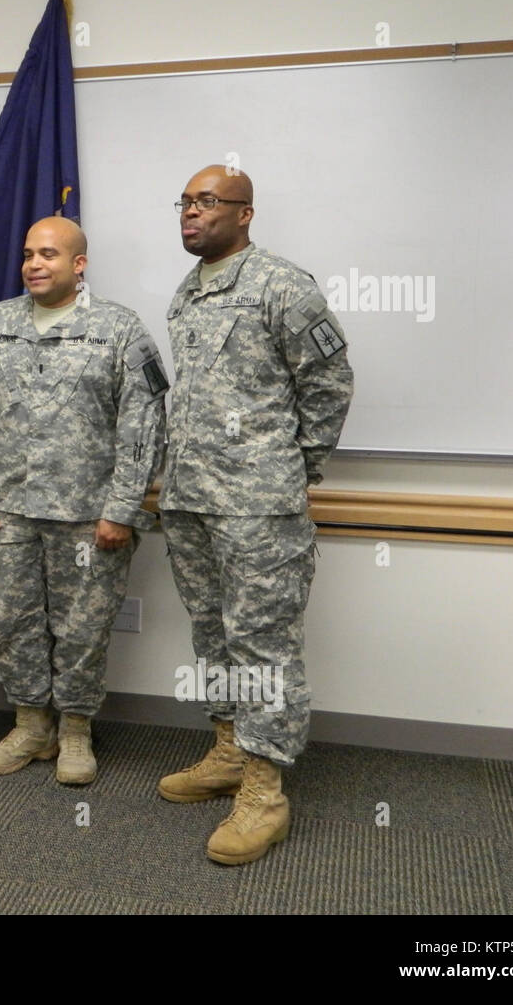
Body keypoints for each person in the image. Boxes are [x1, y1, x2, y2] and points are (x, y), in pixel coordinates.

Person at [157, 165, 354, 864]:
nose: (190, 213)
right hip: (190, 499)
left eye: (207, 202)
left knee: (262, 642)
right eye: (184, 201)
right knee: (213, 633)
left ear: (245, 213)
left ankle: (265, 791)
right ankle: (230, 750)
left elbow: (330, 382)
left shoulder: (281, 284)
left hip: (258, 507)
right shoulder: (188, 291)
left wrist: (290, 471)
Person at [0, 216, 167, 784]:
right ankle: (30, 726)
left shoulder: (120, 329)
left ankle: (73, 730)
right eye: (27, 254)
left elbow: (143, 426)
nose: (34, 264)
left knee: (82, 629)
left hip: (89, 518)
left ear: (78, 264)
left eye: (48, 254)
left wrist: (122, 507)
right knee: (13, 623)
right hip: (6, 512)